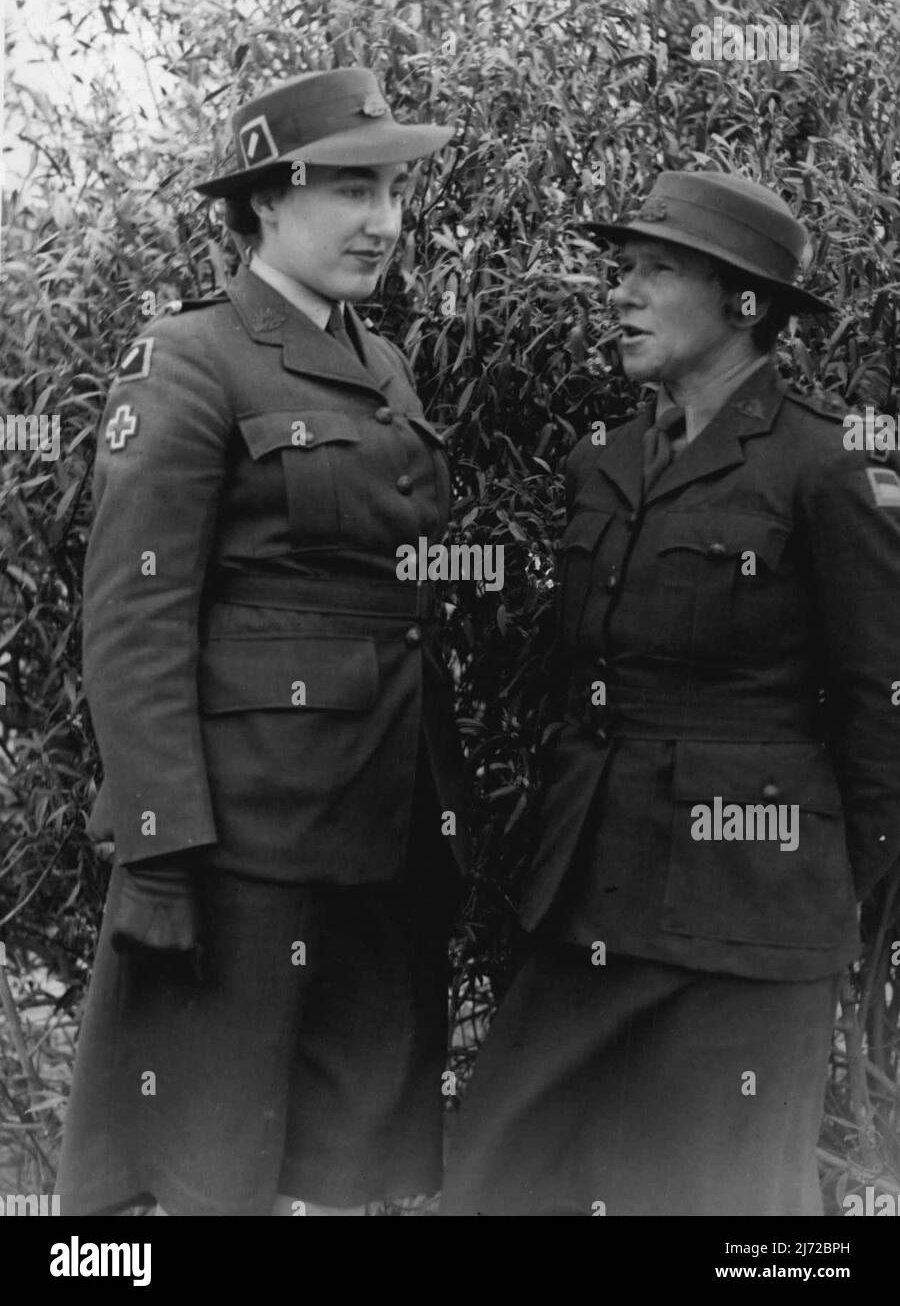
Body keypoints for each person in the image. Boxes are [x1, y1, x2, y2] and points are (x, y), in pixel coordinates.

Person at [440, 170, 900, 1217]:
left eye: (656, 270)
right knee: (499, 1175)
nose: (621, 293)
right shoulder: (602, 461)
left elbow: (884, 704)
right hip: (588, 893)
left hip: (746, 920)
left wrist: (823, 883)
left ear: (745, 304)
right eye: (622, 268)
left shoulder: (822, 468)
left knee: (724, 1205)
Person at [56, 67, 468, 1217]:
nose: (383, 221)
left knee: (345, 1163)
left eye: (392, 190)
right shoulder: (189, 360)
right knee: (212, 1161)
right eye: (349, 189)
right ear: (265, 205)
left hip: (383, 822)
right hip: (248, 839)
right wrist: (161, 847)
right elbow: (135, 617)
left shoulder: (382, 367)